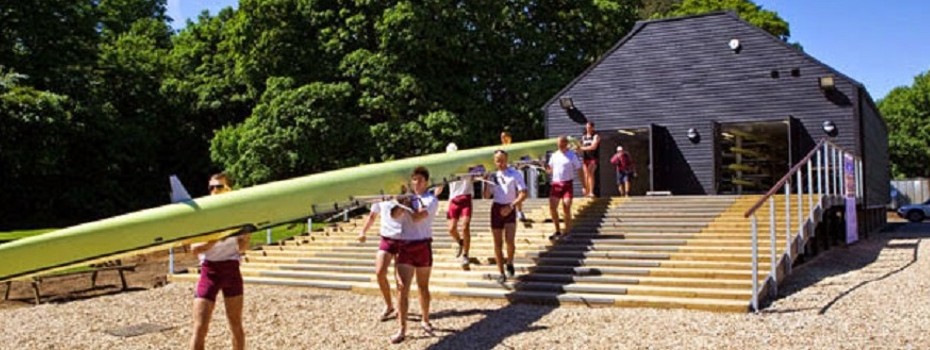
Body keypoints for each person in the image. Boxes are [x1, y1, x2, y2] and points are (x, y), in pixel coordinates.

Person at [190, 173, 252, 350]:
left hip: (231, 270)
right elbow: (194, 249)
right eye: (211, 187)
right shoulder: (203, 216)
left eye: (219, 187)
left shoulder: (236, 215)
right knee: (200, 327)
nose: (214, 191)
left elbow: (241, 247)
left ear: (228, 189)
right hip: (209, 271)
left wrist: (246, 237)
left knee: (236, 325)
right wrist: (214, 240)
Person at [390, 166, 439, 344]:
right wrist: (401, 201)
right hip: (406, 244)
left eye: (419, 179)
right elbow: (395, 216)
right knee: (402, 287)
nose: (416, 183)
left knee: (423, 286)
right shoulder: (407, 199)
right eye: (414, 179)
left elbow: (419, 217)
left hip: (423, 244)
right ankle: (401, 328)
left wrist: (408, 203)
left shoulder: (431, 199)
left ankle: (425, 319)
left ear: (426, 182)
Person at [357, 188, 413, 322]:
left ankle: (401, 308)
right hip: (387, 239)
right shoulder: (380, 195)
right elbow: (372, 216)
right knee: (380, 272)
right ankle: (389, 305)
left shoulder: (405, 194)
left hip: (403, 238)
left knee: (400, 279)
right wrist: (363, 231)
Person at [483, 150, 527, 283]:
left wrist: (511, 206)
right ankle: (501, 272)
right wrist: (485, 182)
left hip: (510, 207)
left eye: (502, 160)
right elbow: (486, 196)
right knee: (497, 243)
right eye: (497, 160)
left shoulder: (515, 174)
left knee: (509, 241)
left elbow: (523, 193)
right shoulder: (493, 175)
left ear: (506, 160)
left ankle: (510, 261)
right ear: (494, 161)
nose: (500, 163)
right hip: (496, 208)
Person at [546, 136, 583, 241]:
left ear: (566, 143)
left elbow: (579, 169)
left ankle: (567, 231)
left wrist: (584, 185)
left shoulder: (571, 155)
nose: (560, 146)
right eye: (559, 144)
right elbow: (549, 170)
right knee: (553, 207)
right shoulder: (554, 155)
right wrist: (545, 166)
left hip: (567, 184)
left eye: (562, 143)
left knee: (566, 207)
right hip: (556, 184)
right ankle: (557, 230)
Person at [579, 122, 601, 197]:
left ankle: (591, 192)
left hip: (593, 158)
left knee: (590, 173)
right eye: (587, 127)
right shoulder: (583, 137)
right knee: (585, 175)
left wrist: (582, 148)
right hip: (585, 158)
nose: (588, 129)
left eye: (589, 127)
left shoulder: (596, 136)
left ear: (592, 128)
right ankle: (587, 192)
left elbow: (593, 147)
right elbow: (579, 146)